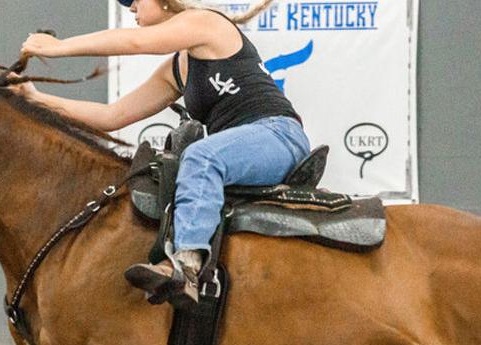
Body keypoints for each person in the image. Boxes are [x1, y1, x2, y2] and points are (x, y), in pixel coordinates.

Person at [18, 0, 310, 309]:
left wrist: (58, 47)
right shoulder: (177, 68)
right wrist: (36, 99)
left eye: (135, 1)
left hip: (277, 136)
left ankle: (186, 269)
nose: (131, 8)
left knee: (200, 157)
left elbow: (134, 42)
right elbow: (112, 116)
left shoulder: (206, 23)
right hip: (243, 147)